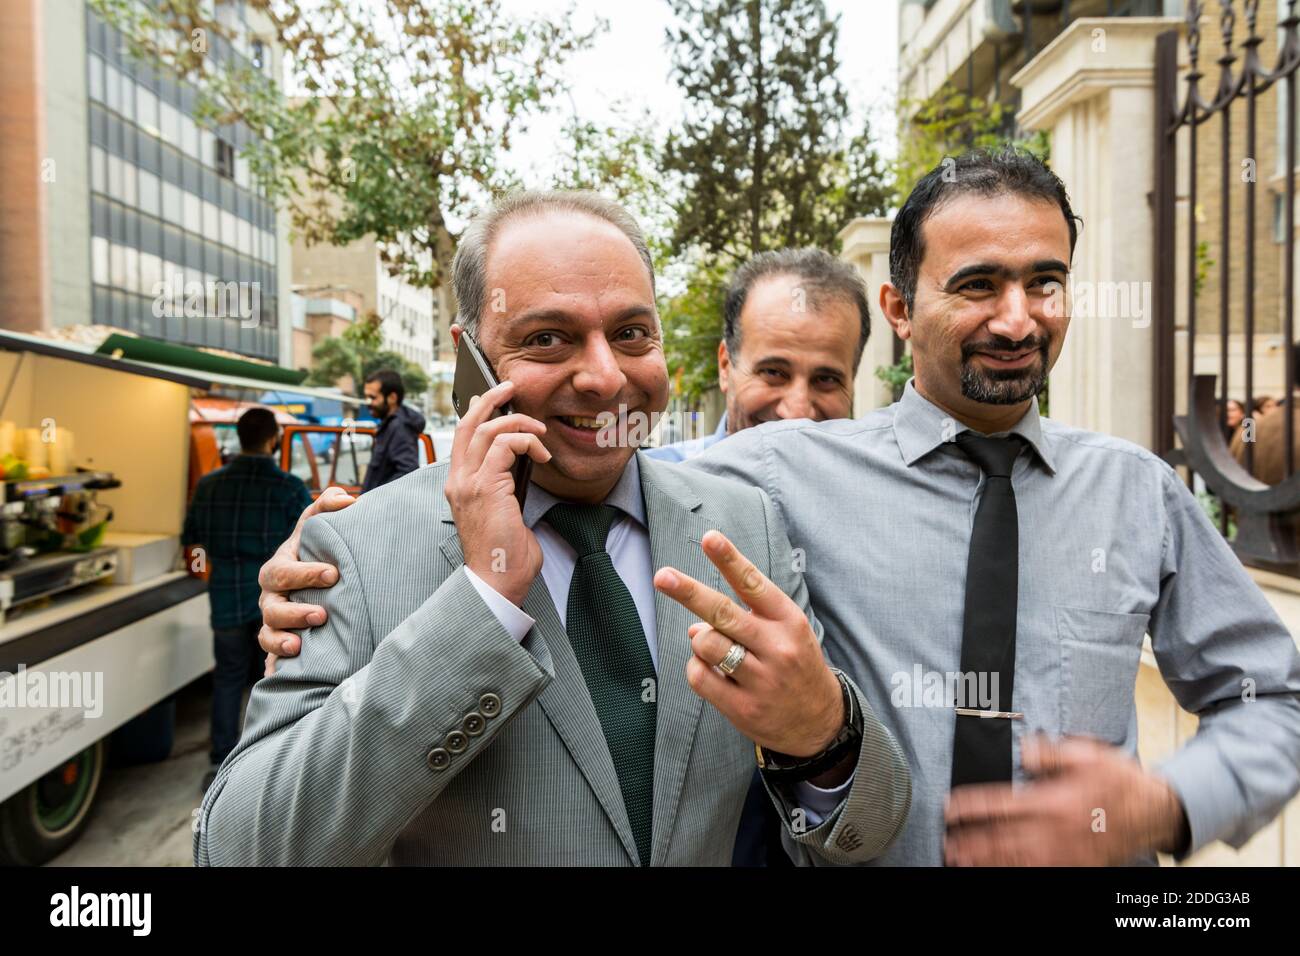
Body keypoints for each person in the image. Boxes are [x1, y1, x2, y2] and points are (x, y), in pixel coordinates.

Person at [261, 149, 1300, 866]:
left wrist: (1168, 802)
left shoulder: (1142, 492)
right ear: (900, 307)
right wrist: (345, 542)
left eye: (1047, 280)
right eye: (977, 282)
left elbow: (1276, 699)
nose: (1016, 317)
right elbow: (604, 460)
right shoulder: (770, 475)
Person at [193, 191, 910, 867]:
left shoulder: (743, 526)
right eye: (547, 338)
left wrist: (824, 738)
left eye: (631, 333)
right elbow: (238, 848)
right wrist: (481, 604)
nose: (603, 377)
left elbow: (868, 830)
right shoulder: (353, 548)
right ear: (469, 356)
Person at [181, 407, 313, 793]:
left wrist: (210, 569)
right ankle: (264, 765)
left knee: (227, 679)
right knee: (270, 678)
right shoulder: (289, 487)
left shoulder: (208, 485)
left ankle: (219, 763)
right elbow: (310, 541)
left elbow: (192, 543)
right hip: (273, 602)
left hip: (224, 596)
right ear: (273, 440)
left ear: (239, 439)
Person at [645, 248, 868, 463]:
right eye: (773, 373)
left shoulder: (879, 497)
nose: (797, 413)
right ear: (725, 366)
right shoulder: (645, 492)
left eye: (826, 380)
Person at [360, 368, 425, 492]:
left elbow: (408, 472)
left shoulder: (399, 427)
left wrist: (376, 498)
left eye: (373, 397)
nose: (368, 403)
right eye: (366, 397)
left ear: (392, 398)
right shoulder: (390, 425)